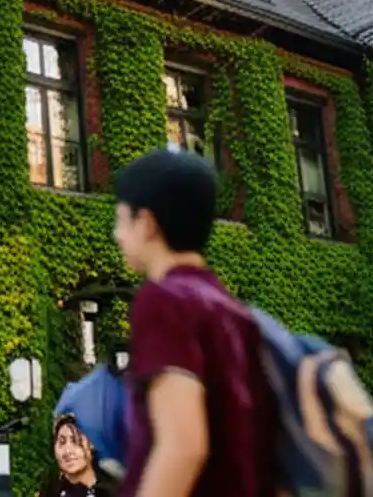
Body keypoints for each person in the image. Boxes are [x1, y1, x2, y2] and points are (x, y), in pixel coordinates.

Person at [112, 146, 275, 497]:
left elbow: (183, 446)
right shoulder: (231, 309)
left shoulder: (164, 301)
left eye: (122, 219)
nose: (118, 235)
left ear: (147, 223)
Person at [39, 414, 116, 497]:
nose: (67, 451)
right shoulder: (51, 490)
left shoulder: (113, 489)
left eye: (75, 441)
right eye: (62, 442)